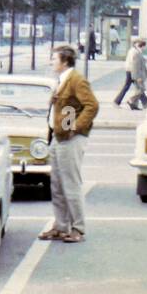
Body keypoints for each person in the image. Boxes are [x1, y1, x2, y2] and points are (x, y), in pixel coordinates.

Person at [40, 45, 98, 244]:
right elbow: (67, 107)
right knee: (56, 185)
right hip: (58, 136)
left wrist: (75, 126)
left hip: (70, 138)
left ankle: (78, 228)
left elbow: (92, 105)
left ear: (65, 61)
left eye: (54, 59)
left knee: (70, 185)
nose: (51, 62)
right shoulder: (62, 80)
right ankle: (61, 225)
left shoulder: (76, 80)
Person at [126, 39, 147, 111]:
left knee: (138, 90)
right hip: (138, 76)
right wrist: (138, 77)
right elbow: (135, 66)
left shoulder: (139, 53)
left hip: (139, 75)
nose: (145, 48)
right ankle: (131, 100)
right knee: (141, 89)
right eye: (144, 46)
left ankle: (134, 105)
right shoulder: (136, 53)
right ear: (142, 46)